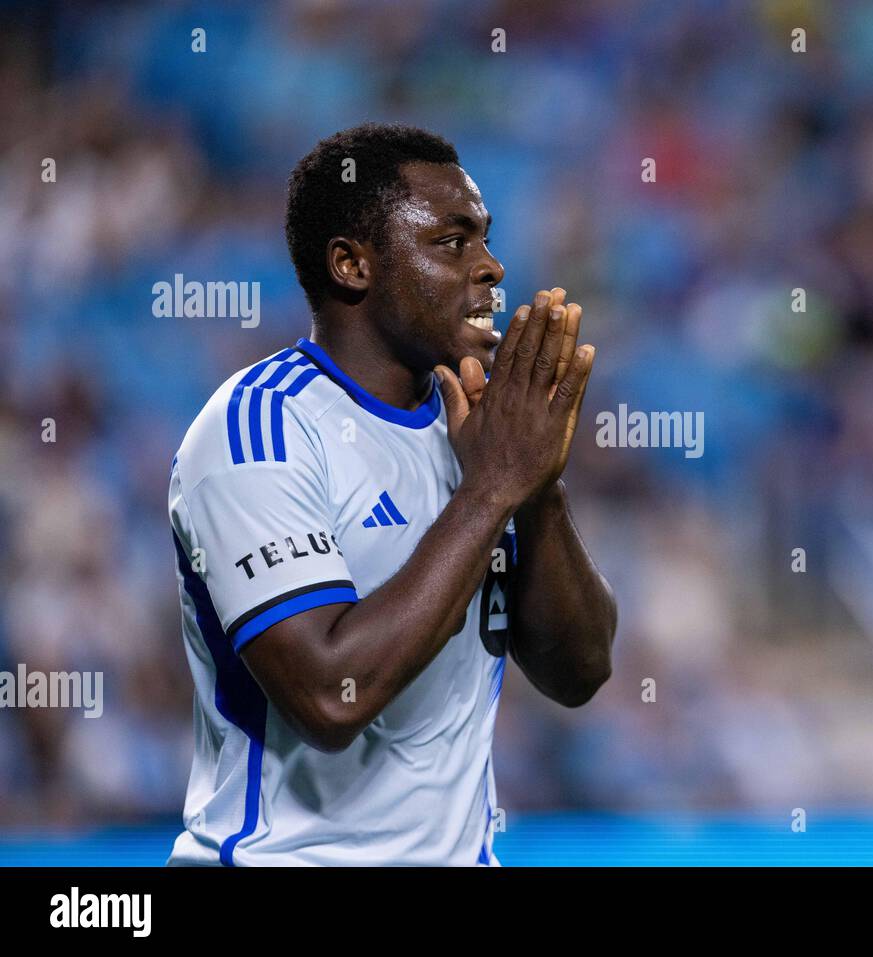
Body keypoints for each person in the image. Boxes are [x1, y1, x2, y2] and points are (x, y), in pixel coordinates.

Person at [166, 123, 617, 865]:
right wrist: (494, 487)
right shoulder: (258, 431)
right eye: (452, 242)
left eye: (486, 239)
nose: (492, 268)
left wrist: (535, 491)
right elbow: (331, 694)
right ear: (351, 265)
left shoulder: (474, 431)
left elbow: (581, 671)